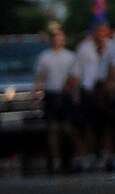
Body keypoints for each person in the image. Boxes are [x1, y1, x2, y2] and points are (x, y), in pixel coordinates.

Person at [34, 24, 77, 173]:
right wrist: (37, 93)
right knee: (52, 129)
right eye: (56, 38)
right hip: (51, 94)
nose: (58, 40)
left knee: (67, 128)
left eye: (61, 38)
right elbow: (40, 77)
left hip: (65, 95)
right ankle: (56, 159)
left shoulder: (70, 56)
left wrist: (72, 93)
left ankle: (70, 157)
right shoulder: (44, 57)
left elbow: (74, 77)